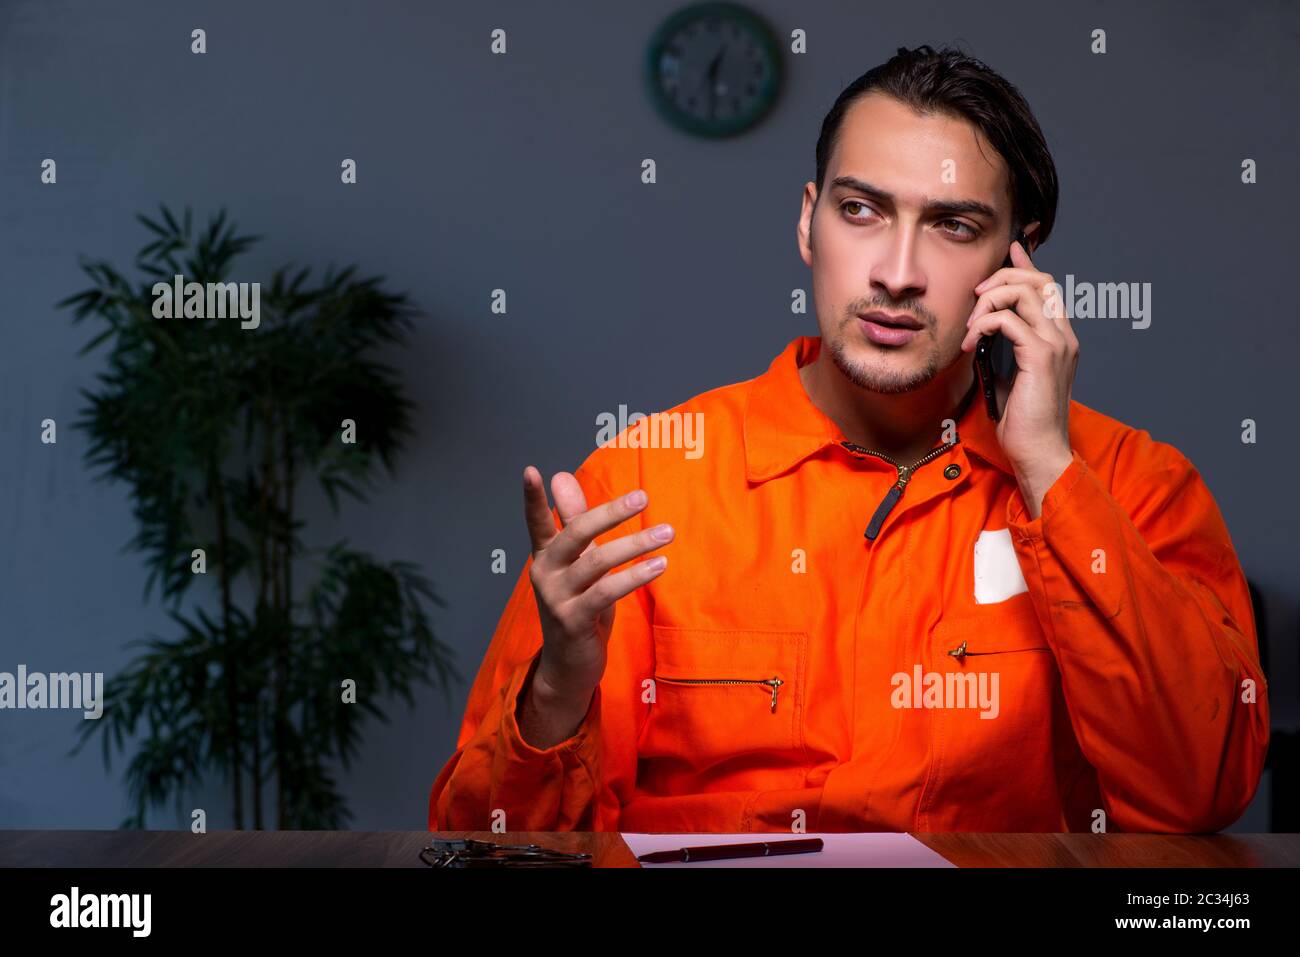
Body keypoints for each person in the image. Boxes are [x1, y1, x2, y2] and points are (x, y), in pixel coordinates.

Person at [428, 45, 1269, 833]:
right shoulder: (647, 482)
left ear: (1021, 259)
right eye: (861, 210)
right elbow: (488, 845)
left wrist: (1050, 472)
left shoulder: (1136, 484)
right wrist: (559, 688)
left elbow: (1200, 794)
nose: (895, 272)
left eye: (952, 225)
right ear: (808, 223)